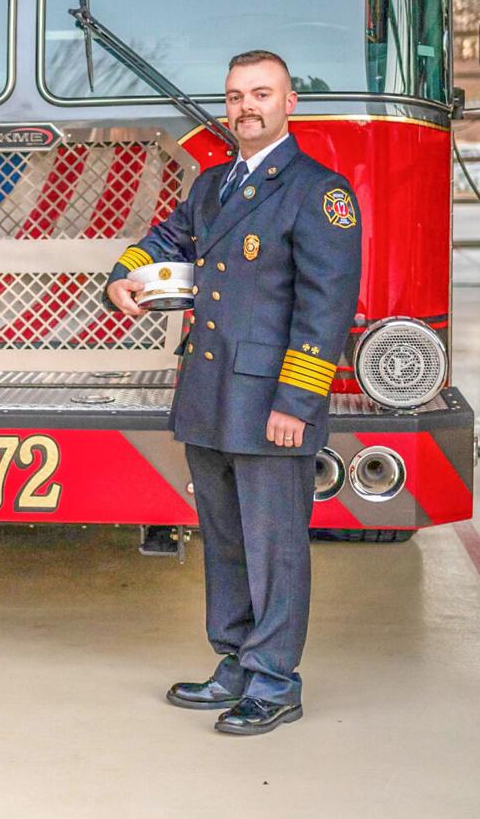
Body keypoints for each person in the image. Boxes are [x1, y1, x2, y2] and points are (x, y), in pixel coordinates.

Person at [105, 50, 362, 736]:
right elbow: (166, 237)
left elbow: (326, 309)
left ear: (289, 103)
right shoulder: (213, 185)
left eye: (261, 93)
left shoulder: (319, 192)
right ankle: (234, 663)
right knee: (224, 541)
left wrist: (297, 404)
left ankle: (275, 678)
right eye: (235, 96)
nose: (246, 106)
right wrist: (122, 273)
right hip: (210, 394)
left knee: (275, 546)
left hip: (273, 403)